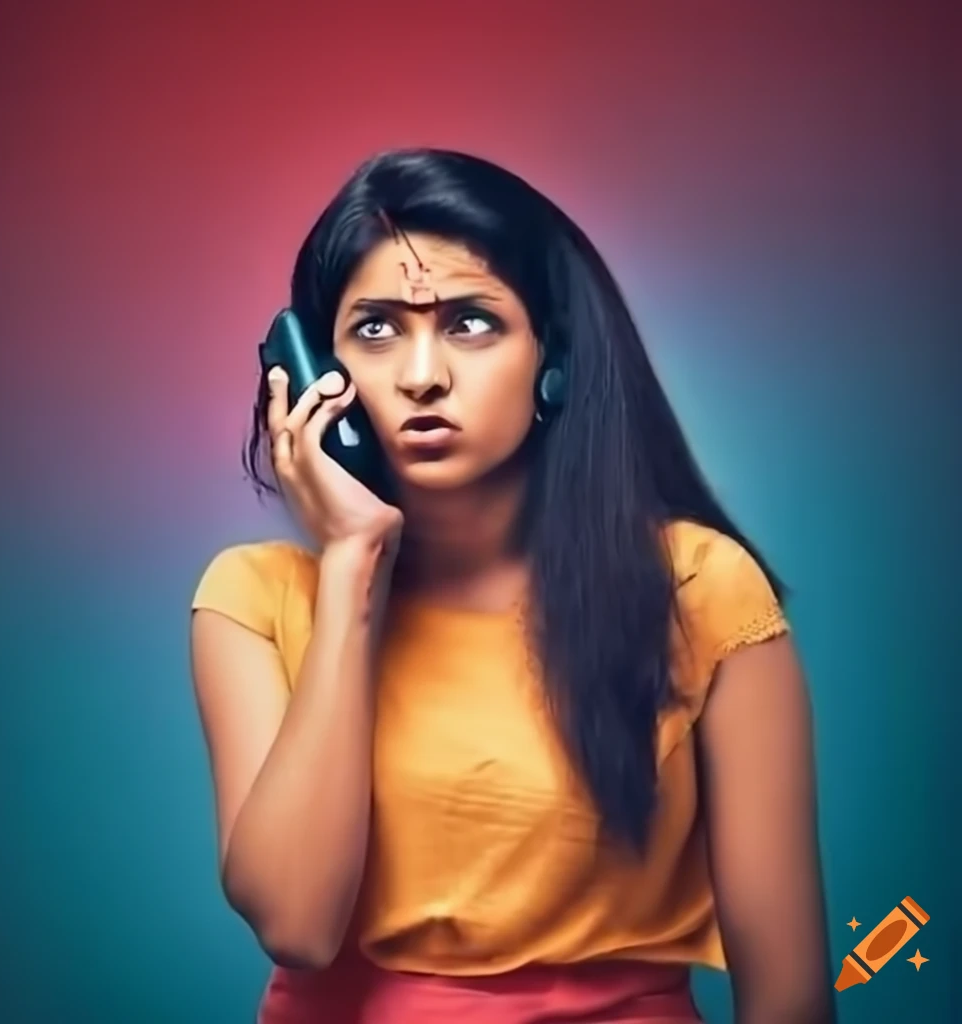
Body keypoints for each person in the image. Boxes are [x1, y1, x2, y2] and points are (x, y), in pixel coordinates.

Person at [189, 148, 835, 1023]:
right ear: (314, 375)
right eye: (376, 328)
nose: (422, 376)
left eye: (470, 323)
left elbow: (789, 994)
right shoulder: (252, 600)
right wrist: (351, 570)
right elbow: (297, 925)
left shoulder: (698, 588)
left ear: (551, 357)